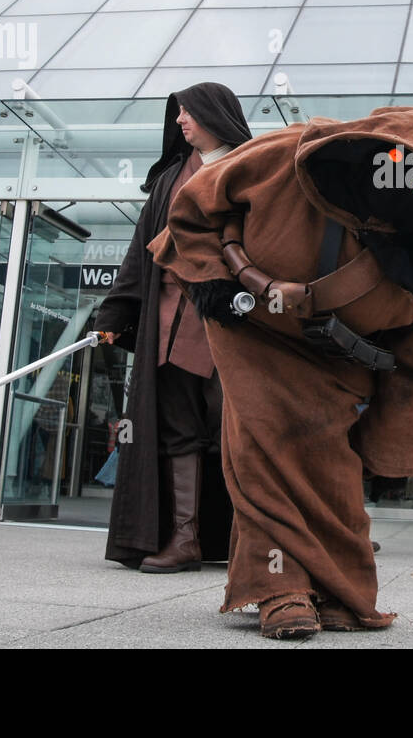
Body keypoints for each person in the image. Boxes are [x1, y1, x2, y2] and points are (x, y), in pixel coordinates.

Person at [149, 106, 413, 637]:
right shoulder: (285, 153)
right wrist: (213, 283)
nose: (404, 185)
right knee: (265, 449)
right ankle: (278, 590)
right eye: (400, 168)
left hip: (341, 364)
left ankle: (339, 591)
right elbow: (192, 209)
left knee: (333, 477)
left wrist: (392, 447)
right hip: (254, 333)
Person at [94, 83, 251, 573]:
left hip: (232, 328)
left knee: (241, 431)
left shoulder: (253, 168)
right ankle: (183, 540)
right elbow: (141, 249)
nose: (180, 121)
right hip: (167, 327)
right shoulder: (169, 178)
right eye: (179, 113)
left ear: (214, 116)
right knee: (176, 429)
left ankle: (257, 543)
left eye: (189, 113)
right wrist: (116, 315)